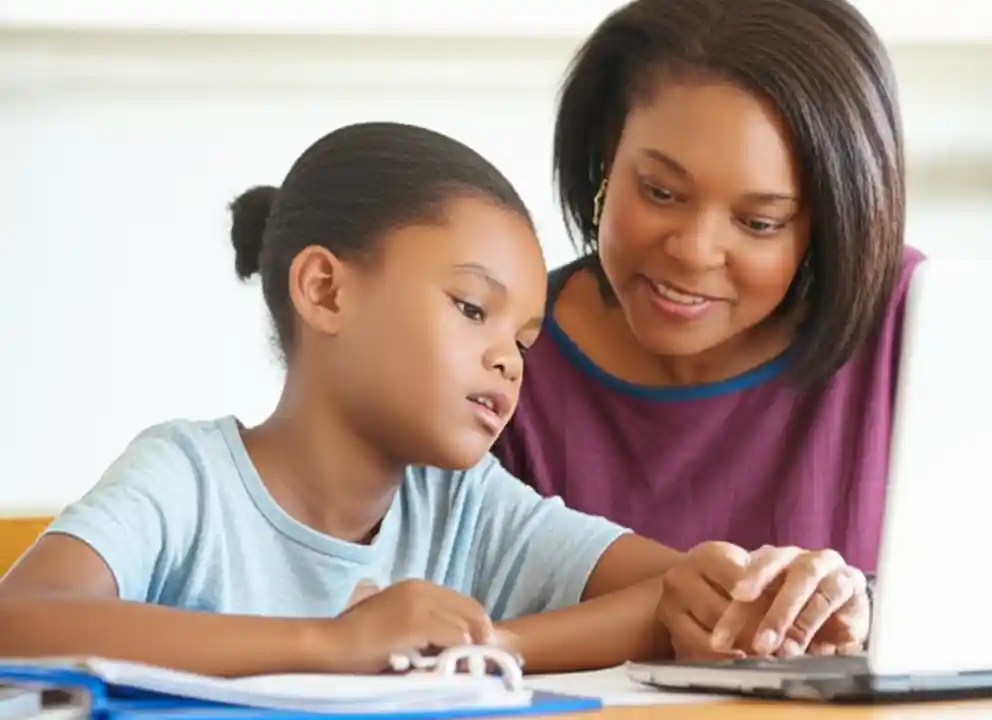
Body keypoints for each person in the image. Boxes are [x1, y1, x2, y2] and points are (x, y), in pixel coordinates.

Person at [0, 121, 868, 675]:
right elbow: (17, 621)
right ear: (325, 291)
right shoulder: (186, 478)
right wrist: (331, 648)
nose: (509, 362)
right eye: (470, 309)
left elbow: (678, 586)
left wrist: (496, 646)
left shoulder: (467, 504)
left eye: (524, 339)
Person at [494, 0, 924, 656]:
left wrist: (866, 605)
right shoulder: (495, 352)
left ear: (826, 225)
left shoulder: (911, 326)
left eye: (759, 222)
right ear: (607, 154)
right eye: (661, 192)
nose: (694, 251)